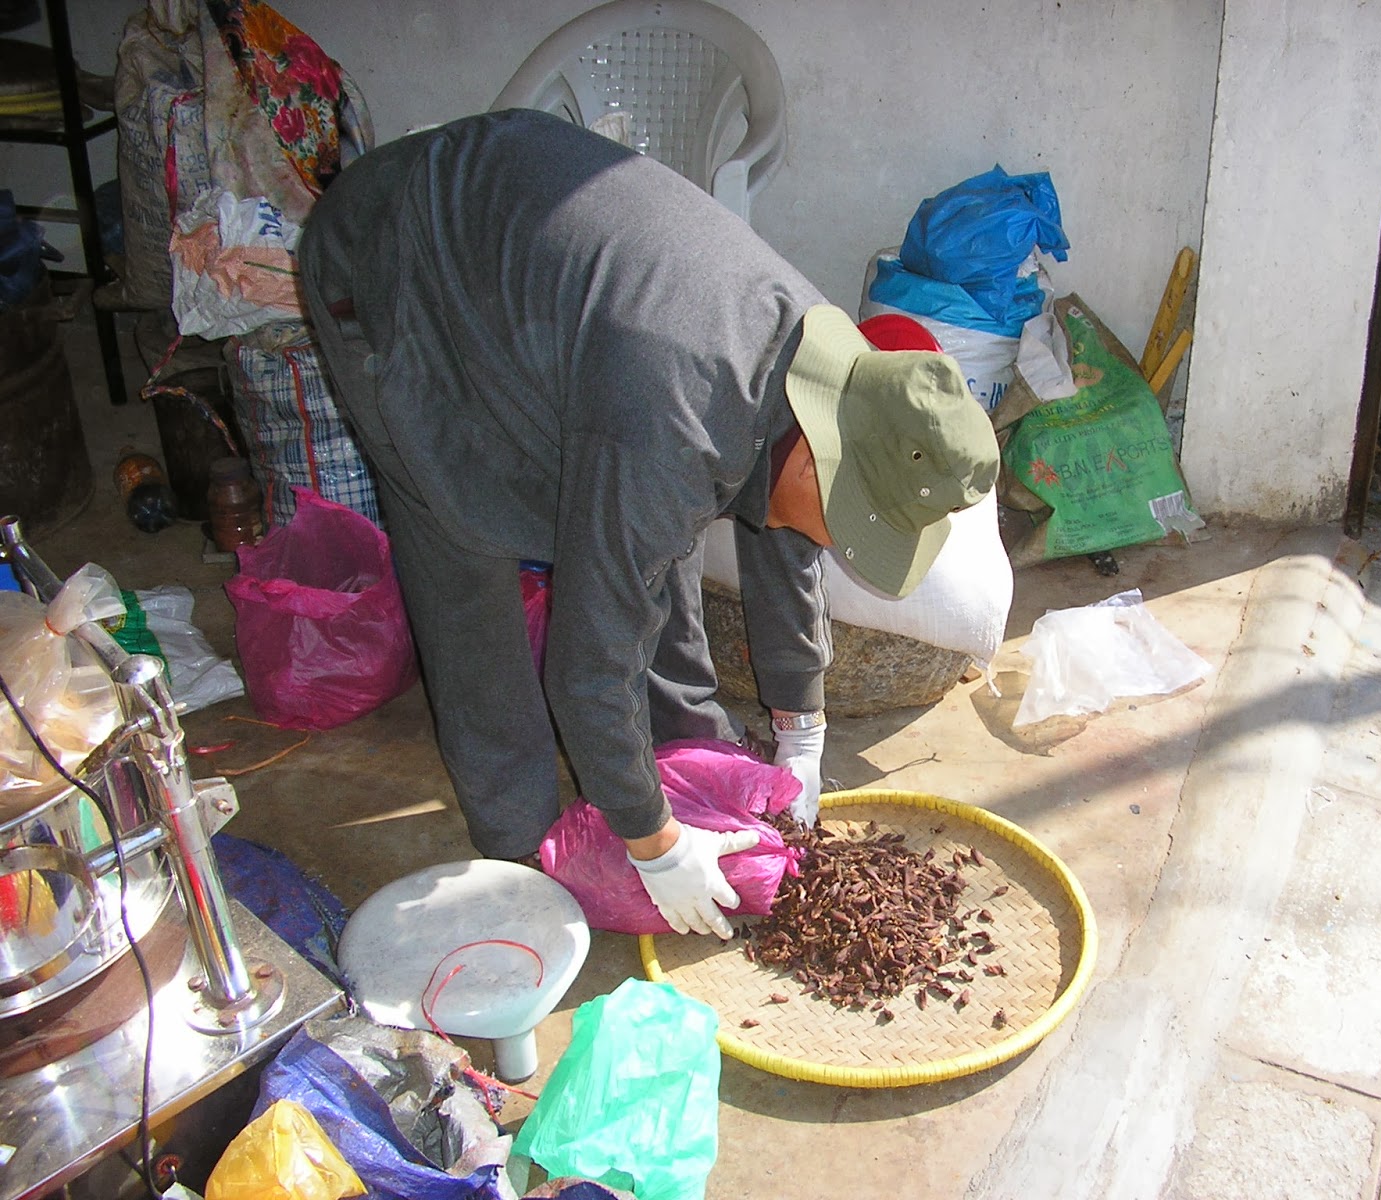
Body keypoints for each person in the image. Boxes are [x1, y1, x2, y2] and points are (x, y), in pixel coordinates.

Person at [298, 109, 1000, 939]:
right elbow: (589, 666)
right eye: (847, 522)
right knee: (467, 540)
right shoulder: (678, 411)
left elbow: (785, 535)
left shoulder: (829, 374)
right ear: (819, 456)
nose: (836, 543)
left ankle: (687, 747)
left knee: (645, 516)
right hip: (400, 254)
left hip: (556, 290)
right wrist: (655, 843)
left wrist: (799, 726)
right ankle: (521, 842)